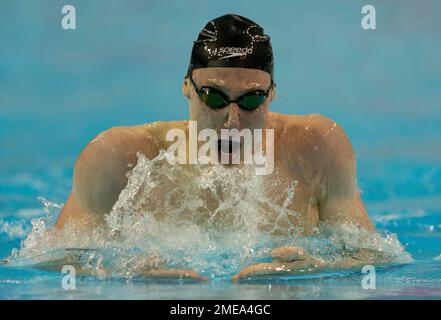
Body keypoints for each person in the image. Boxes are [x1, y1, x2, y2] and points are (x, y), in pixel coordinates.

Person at [55, 14, 391, 281]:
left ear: (272, 93)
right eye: (214, 97)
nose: (232, 122)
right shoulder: (118, 156)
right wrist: (120, 275)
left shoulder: (318, 147)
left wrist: (320, 269)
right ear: (186, 87)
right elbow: (50, 261)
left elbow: (377, 258)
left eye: (251, 100)